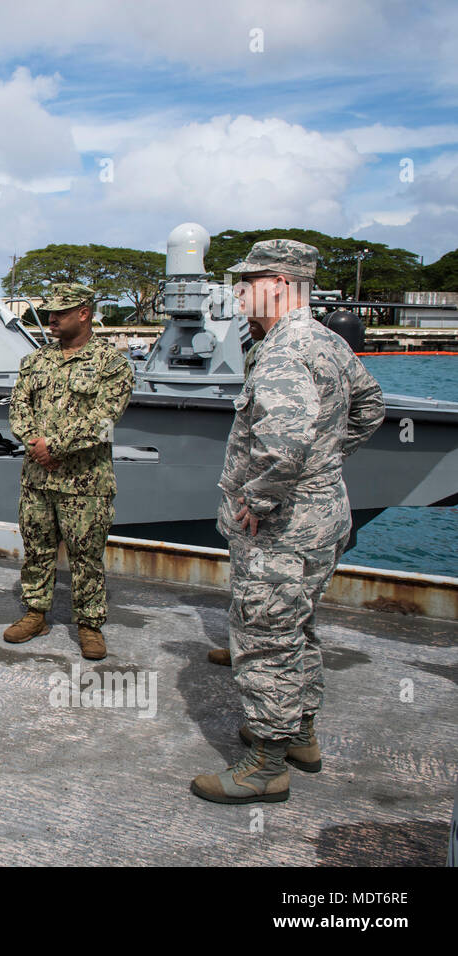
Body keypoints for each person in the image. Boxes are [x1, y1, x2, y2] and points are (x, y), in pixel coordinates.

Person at [191, 239, 384, 805]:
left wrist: (262, 499)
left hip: (281, 529)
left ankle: (265, 767)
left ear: (278, 283)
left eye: (247, 282)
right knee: (296, 626)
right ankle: (299, 734)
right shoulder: (327, 340)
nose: (239, 293)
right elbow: (371, 407)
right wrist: (326, 464)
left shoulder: (281, 350)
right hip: (323, 515)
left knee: (264, 635)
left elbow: (282, 445)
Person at [4, 282, 133, 661]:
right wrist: (34, 443)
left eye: (61, 312)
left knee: (86, 555)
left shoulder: (112, 364)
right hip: (38, 479)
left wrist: (54, 446)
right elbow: (18, 407)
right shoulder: (35, 361)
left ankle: (89, 625)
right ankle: (35, 613)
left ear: (84, 314)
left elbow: (106, 417)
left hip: (86, 482)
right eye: (51, 311)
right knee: (37, 549)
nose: (52, 318)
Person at [208, 322, 267, 667]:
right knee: (249, 579)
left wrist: (264, 494)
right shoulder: (261, 351)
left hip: (268, 502)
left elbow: (284, 438)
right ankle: (246, 645)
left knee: (275, 588)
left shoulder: (292, 352)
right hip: (249, 494)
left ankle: (263, 664)